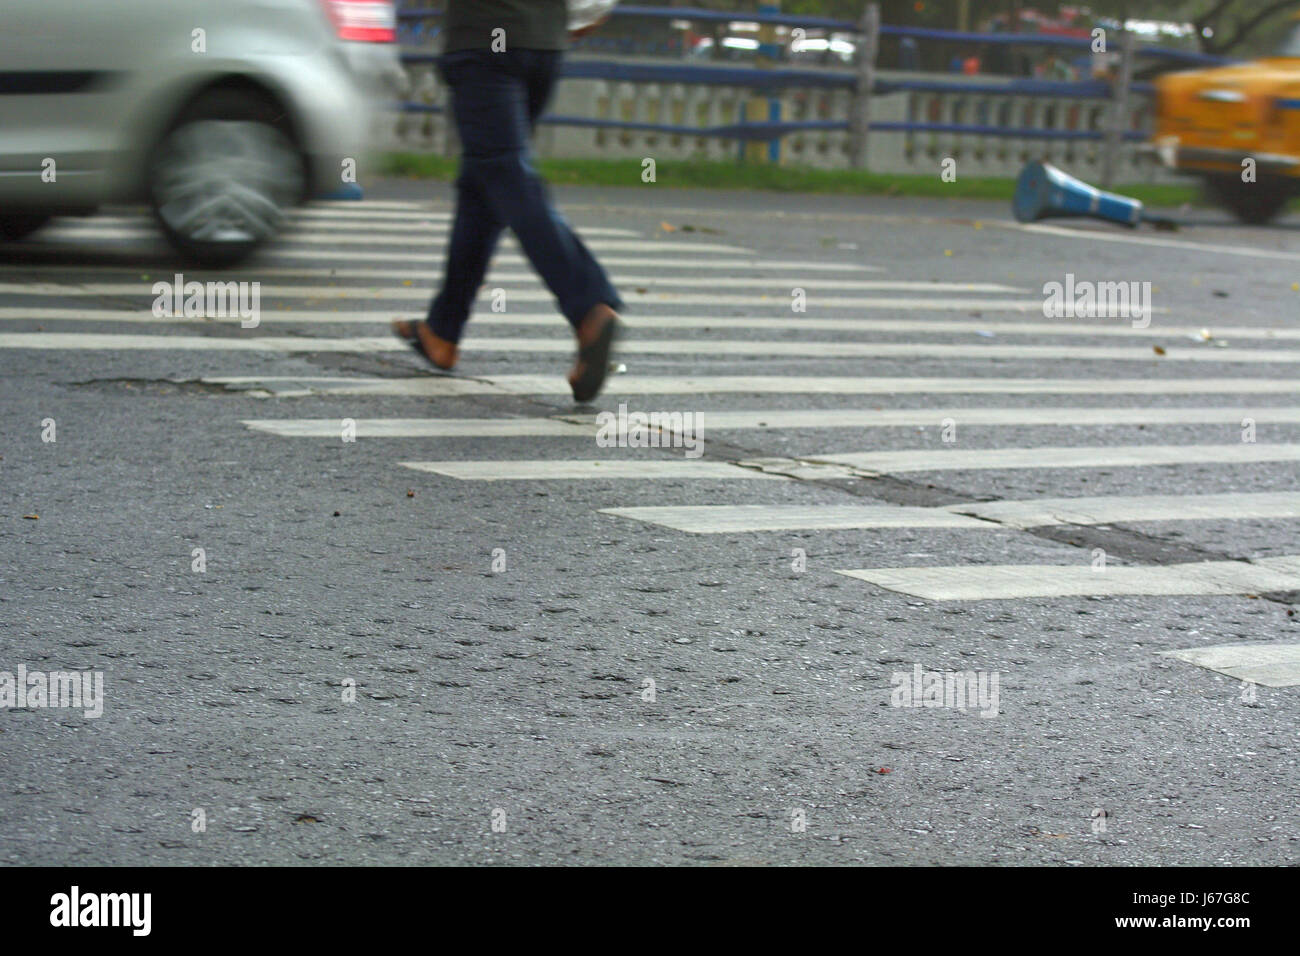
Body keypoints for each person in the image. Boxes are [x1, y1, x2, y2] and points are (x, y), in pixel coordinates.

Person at [392, 0, 622, 403]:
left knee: (505, 175)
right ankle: (443, 330)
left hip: (484, 38)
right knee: (483, 187)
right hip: (542, 44)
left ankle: (588, 305)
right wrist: (588, 10)